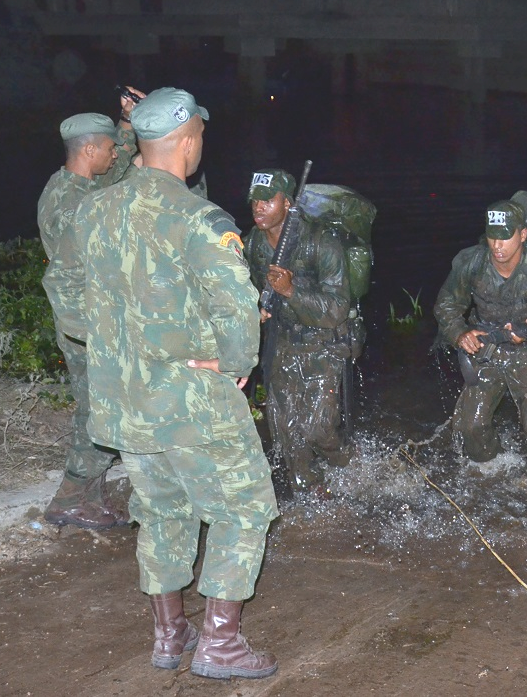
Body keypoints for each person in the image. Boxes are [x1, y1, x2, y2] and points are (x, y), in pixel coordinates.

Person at [53, 87, 279, 679]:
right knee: (243, 506)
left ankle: (169, 635)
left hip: (125, 398)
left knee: (160, 511)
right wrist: (233, 363)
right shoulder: (198, 218)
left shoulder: (94, 209)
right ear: (185, 141)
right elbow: (236, 306)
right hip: (192, 398)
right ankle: (221, 643)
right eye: (199, 133)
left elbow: (64, 289)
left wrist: (106, 338)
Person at [37, 90, 142, 529]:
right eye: (110, 147)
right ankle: (69, 497)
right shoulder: (69, 204)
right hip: (85, 320)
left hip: (92, 316)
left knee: (94, 406)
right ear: (89, 150)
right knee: (99, 411)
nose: (116, 154)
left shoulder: (76, 184)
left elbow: (112, 174)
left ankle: (90, 499)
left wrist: (128, 126)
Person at [434, 200, 527, 483]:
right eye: (492, 235)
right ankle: (492, 472)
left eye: (506, 236)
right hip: (489, 349)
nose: (497, 245)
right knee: (471, 425)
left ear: (522, 235)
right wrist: (461, 334)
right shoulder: (471, 262)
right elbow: (447, 305)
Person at [245, 168, 354, 495]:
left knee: (319, 429)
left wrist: (292, 292)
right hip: (280, 343)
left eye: (268, 200)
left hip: (324, 344)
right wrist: (256, 309)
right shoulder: (252, 243)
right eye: (254, 201)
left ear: (288, 204)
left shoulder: (321, 241)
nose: (259, 207)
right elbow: (245, 290)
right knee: (286, 430)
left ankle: (350, 467)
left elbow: (337, 308)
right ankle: (311, 493)